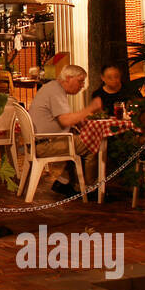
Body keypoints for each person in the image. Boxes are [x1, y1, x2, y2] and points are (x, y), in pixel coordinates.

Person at [28, 64, 102, 195]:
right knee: (93, 143)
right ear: (68, 78)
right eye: (80, 81)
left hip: (42, 141)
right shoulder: (55, 91)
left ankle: (65, 182)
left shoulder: (53, 88)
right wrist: (90, 108)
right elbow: (65, 120)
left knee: (78, 139)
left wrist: (79, 120)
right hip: (45, 144)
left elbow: (64, 119)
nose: (82, 85)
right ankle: (90, 189)